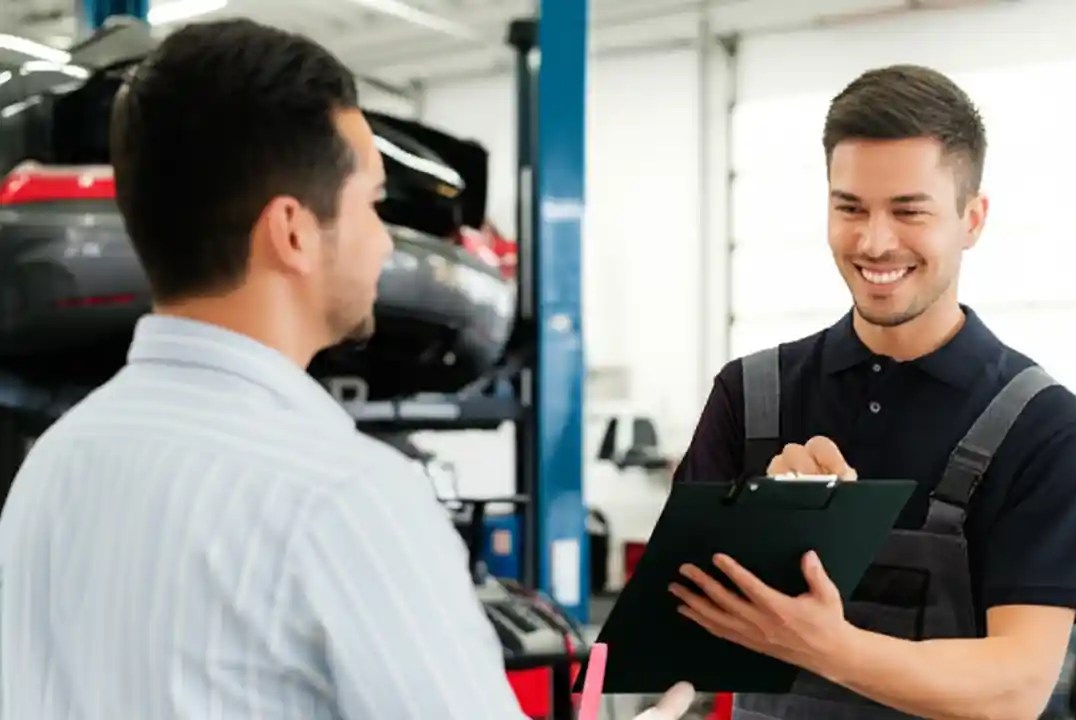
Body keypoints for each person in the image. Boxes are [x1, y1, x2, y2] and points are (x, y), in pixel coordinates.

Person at [0, 19, 692, 720]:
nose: (385, 239)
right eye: (373, 203)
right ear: (293, 232)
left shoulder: (52, 470)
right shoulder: (348, 499)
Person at [666, 65, 1076, 720]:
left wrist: (825, 645)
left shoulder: (1045, 427)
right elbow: (674, 629)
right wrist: (761, 526)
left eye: (909, 211)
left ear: (972, 218)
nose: (874, 241)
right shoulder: (751, 396)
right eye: (850, 208)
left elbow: (1015, 687)